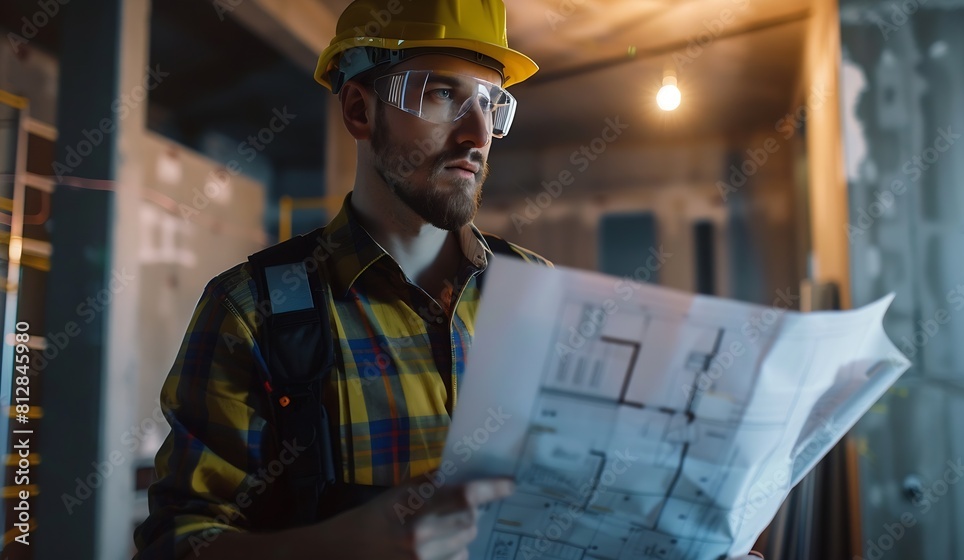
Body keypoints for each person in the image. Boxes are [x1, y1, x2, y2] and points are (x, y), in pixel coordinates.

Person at [134, 1, 764, 558]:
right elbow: (174, 543)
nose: (477, 135)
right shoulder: (255, 311)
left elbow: (581, 508)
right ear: (359, 107)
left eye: (491, 103)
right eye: (440, 94)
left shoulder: (540, 294)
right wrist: (340, 547)